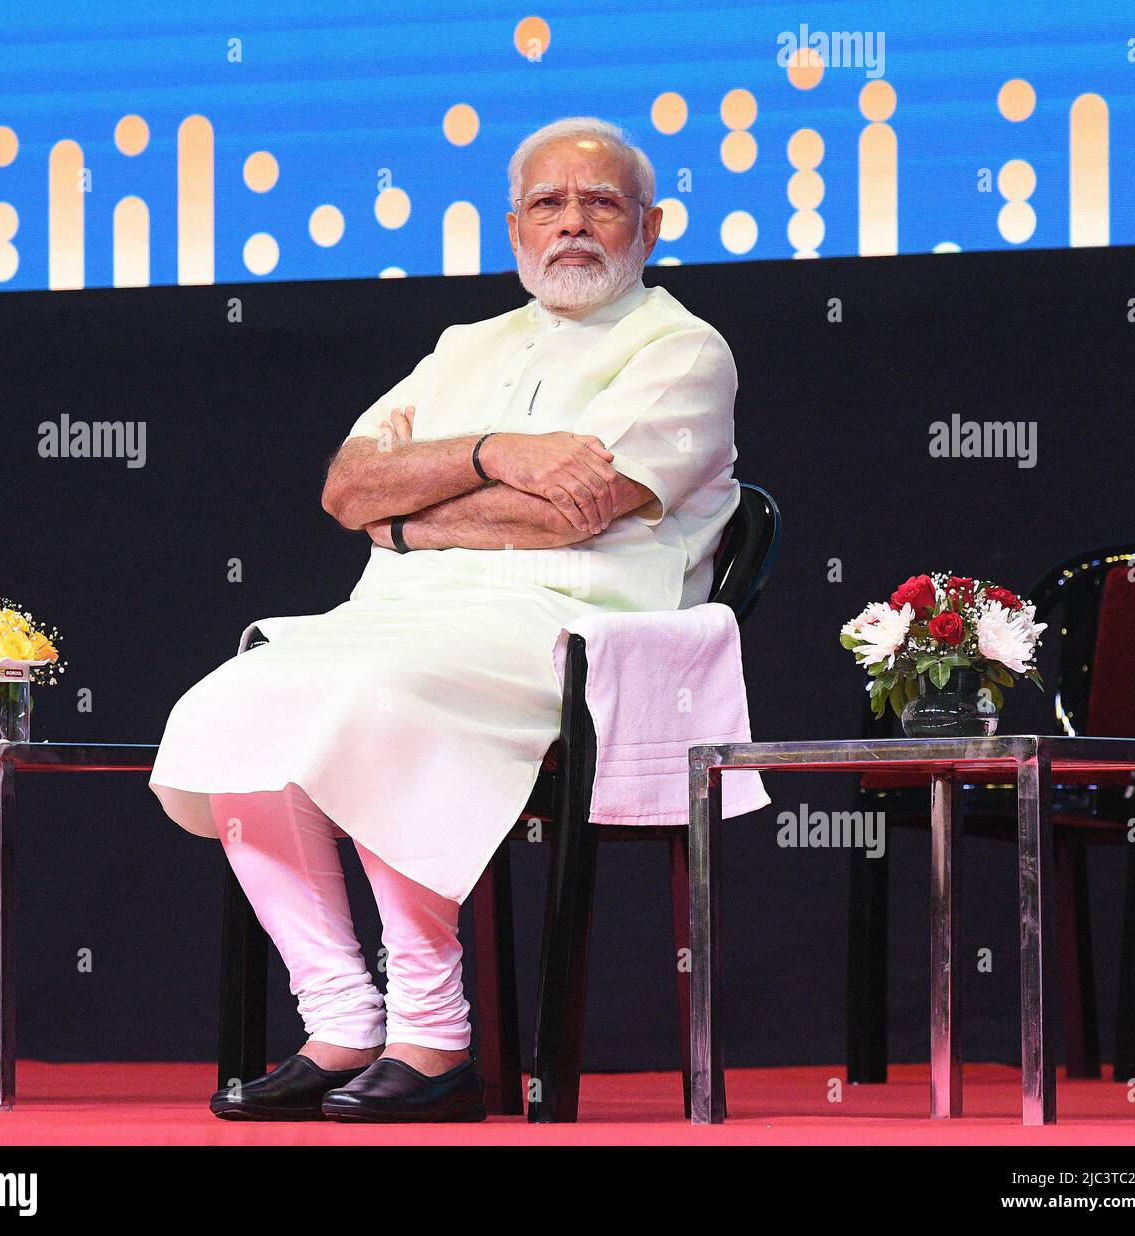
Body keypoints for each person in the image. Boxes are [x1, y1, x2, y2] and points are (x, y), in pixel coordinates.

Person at [149, 115, 744, 1123]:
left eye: (599, 204)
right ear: (513, 227)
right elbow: (347, 487)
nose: (572, 225)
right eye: (548, 205)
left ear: (649, 225)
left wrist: (413, 521)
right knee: (230, 705)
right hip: (403, 611)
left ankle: (432, 1041)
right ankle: (339, 1019)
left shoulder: (682, 348)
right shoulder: (462, 347)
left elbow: (582, 510)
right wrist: (495, 454)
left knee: (384, 698)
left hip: (573, 623)